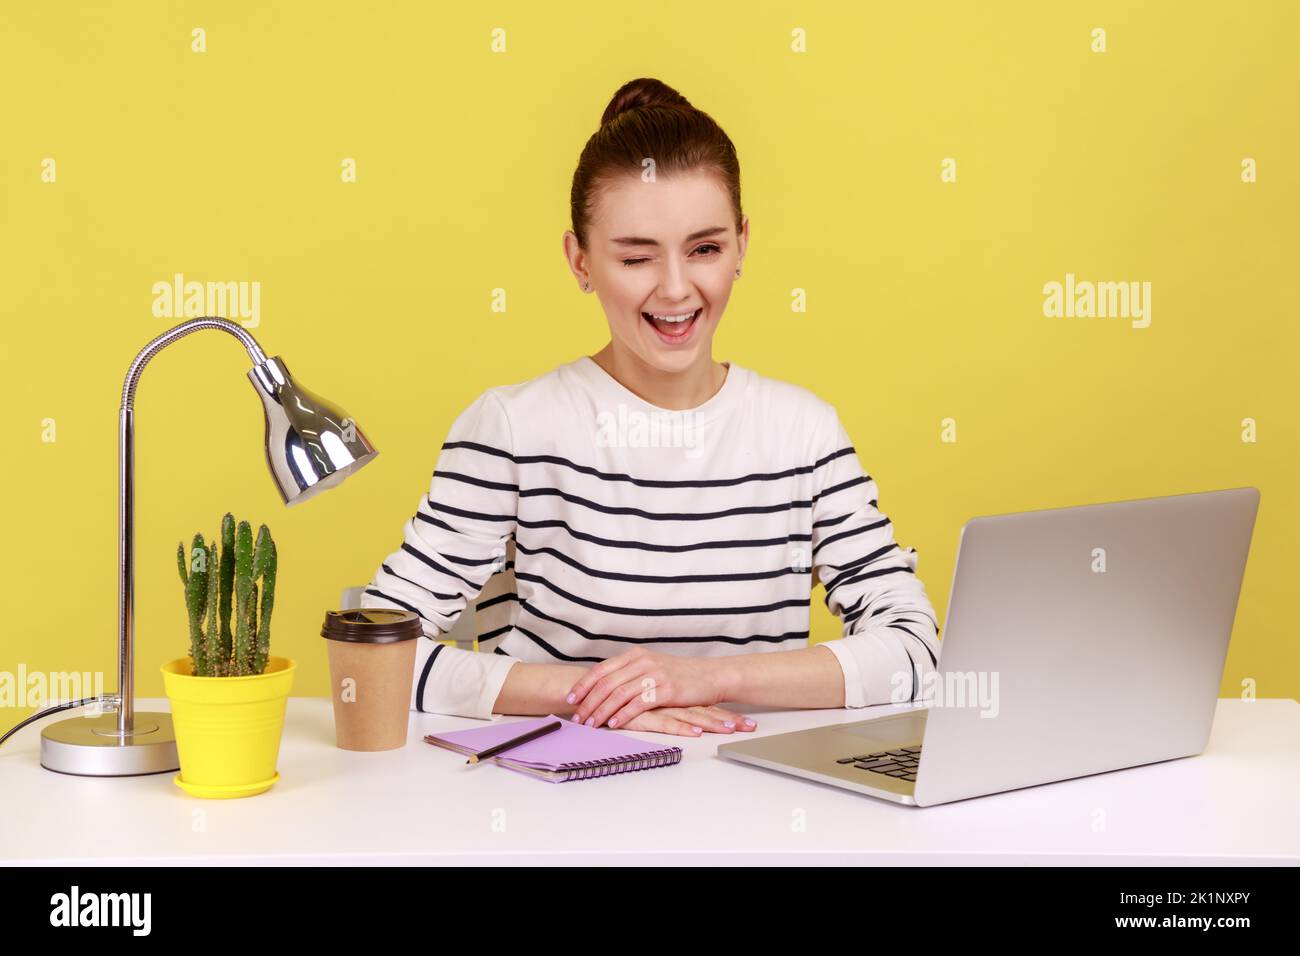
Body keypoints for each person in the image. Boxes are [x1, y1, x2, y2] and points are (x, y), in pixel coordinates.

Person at [361, 77, 941, 737]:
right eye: (636, 256)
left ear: (743, 244)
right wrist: (607, 695)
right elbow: (375, 660)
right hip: (555, 808)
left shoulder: (802, 433)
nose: (674, 289)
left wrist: (709, 678)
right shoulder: (515, 430)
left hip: (756, 807)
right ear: (579, 261)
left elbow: (915, 651)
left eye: (705, 249)